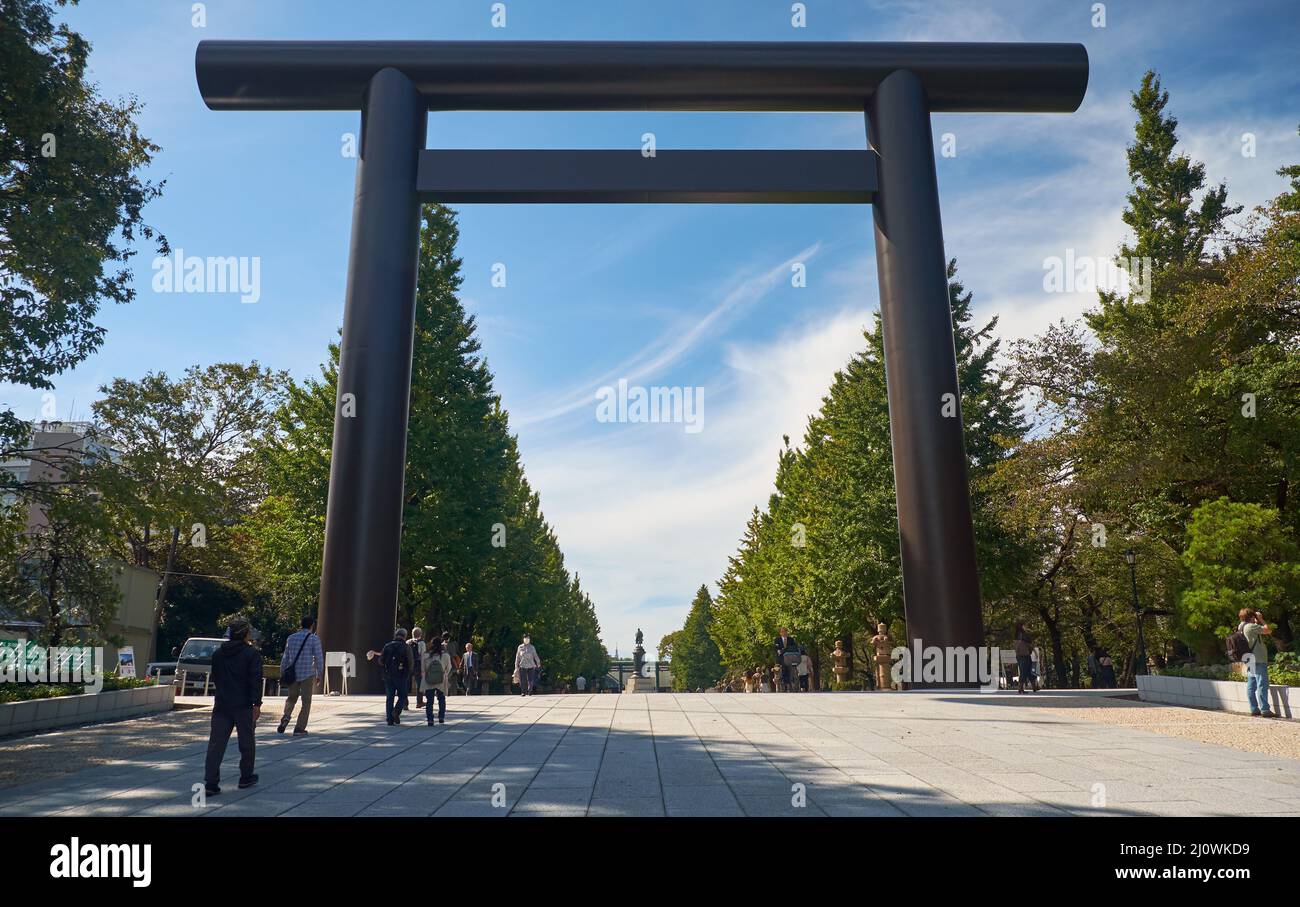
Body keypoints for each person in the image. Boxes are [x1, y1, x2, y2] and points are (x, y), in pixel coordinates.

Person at [203, 618, 263, 795]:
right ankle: (246, 776)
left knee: (216, 743)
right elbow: (255, 680)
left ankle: (211, 782)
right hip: (243, 704)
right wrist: (256, 703)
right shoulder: (251, 654)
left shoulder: (218, 654)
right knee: (246, 742)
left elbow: (215, 677)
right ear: (245, 634)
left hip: (222, 704)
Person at [278, 614, 324, 735]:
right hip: (307, 673)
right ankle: (299, 728)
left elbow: (285, 657)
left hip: (292, 674)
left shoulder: (291, 638)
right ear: (312, 626)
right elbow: (319, 658)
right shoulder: (314, 639)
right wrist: (319, 673)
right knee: (306, 701)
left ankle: (286, 716)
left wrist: (282, 672)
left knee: (291, 698)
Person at [1239, 609, 1275, 718]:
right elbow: (1268, 630)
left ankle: (1254, 708)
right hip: (1258, 658)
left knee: (1252, 683)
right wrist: (1261, 619)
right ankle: (1265, 710)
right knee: (1262, 684)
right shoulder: (1251, 626)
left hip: (1249, 658)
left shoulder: (1241, 626)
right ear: (1251, 616)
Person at [378, 628, 415, 725]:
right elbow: (410, 662)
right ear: (405, 636)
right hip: (401, 675)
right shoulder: (406, 647)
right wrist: (409, 673)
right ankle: (396, 711)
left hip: (388, 675)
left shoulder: (387, 646)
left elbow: (381, 661)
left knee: (390, 697)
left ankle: (389, 719)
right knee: (403, 695)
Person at [422, 637, 452, 725]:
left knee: (429, 701)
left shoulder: (426, 655)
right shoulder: (445, 655)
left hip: (429, 680)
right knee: (441, 699)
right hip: (441, 680)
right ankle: (441, 716)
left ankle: (430, 719)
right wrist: (444, 674)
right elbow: (449, 668)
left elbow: (423, 669)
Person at [1013, 623, 1037, 693]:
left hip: (1019, 655)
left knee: (1027, 671)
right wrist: (1035, 652)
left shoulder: (1017, 635)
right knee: (1025, 672)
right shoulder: (1023, 635)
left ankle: (1034, 687)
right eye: (1024, 625)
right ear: (1021, 626)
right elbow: (1029, 644)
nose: (1026, 627)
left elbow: (1017, 646)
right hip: (1025, 655)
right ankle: (1020, 688)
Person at [774, 627, 799, 692]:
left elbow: (794, 647)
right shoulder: (777, 640)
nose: (784, 633)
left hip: (790, 657)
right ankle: (784, 683)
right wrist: (779, 651)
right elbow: (776, 648)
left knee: (791, 667)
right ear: (780, 633)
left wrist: (785, 650)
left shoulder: (791, 639)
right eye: (782, 631)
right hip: (781, 658)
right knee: (783, 668)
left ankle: (792, 683)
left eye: (785, 631)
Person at [408, 628, 425, 708]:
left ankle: (405, 703)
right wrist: (423, 669)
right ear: (420, 634)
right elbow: (423, 656)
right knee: (419, 684)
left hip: (408, 665)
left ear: (412, 634)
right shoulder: (421, 643)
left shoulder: (407, 642)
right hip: (417, 665)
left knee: (406, 684)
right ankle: (419, 702)